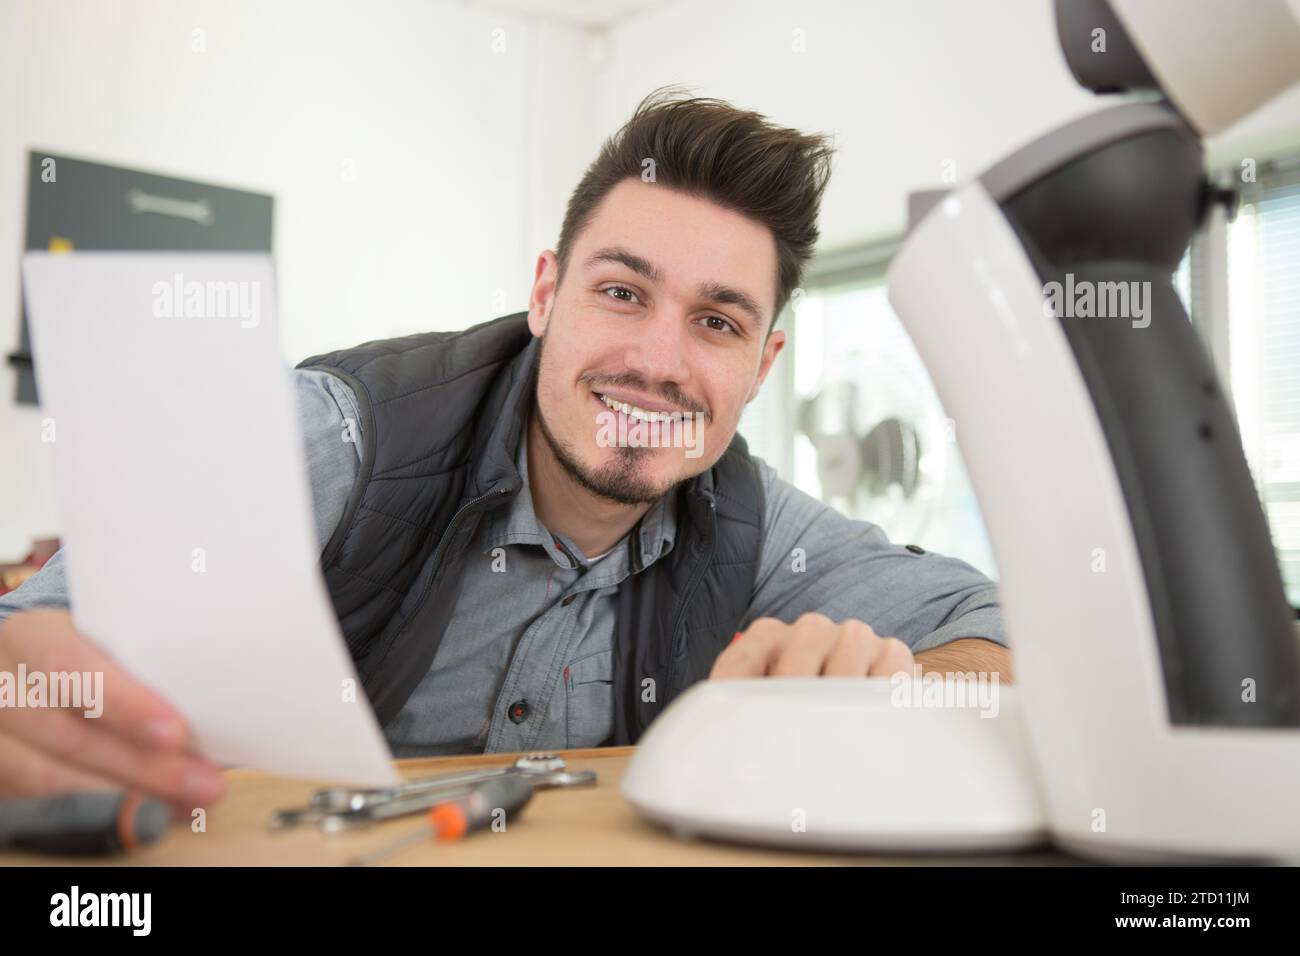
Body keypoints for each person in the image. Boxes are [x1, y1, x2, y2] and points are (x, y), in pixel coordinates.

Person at [0, 87, 1010, 815]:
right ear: (544, 294)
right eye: (621, 291)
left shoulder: (758, 521)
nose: (659, 361)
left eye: (716, 321)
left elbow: (1003, 635)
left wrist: (900, 685)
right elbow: (24, 660)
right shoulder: (331, 437)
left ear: (761, 363)